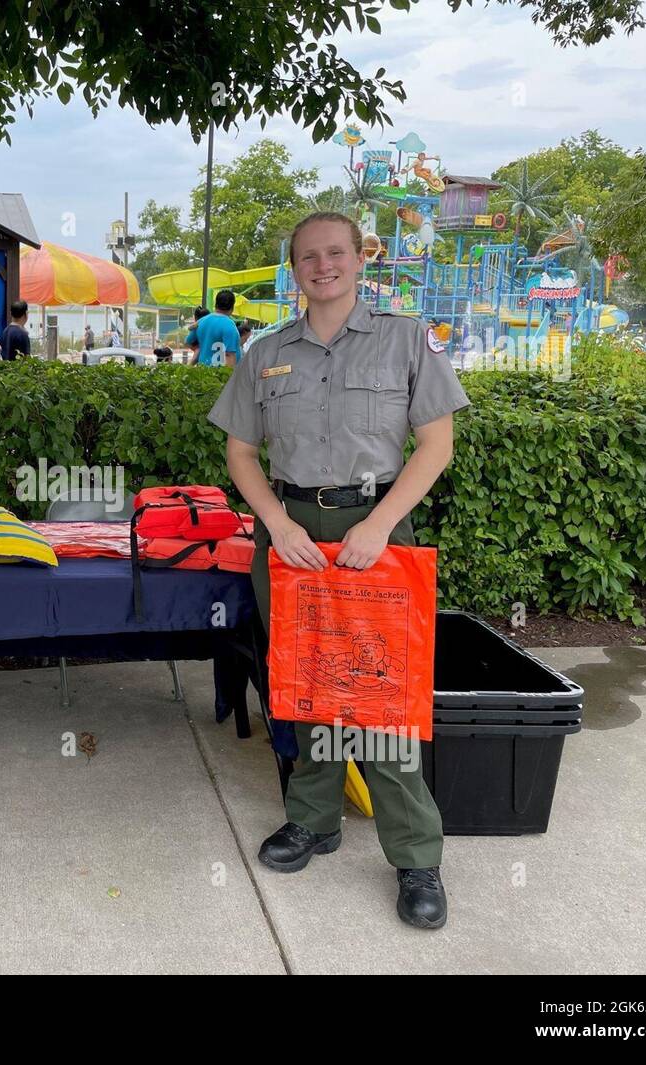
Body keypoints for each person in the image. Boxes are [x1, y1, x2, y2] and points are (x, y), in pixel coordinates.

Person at [207, 210, 470, 931]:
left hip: (376, 531)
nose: (321, 265)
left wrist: (379, 524)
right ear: (295, 269)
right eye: (306, 257)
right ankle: (313, 819)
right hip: (292, 536)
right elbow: (239, 455)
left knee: (382, 694)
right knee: (304, 684)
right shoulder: (265, 352)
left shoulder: (404, 340)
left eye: (334, 253)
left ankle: (416, 855)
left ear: (360, 259)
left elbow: (435, 444)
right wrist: (279, 525)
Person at [195, 289, 241, 366]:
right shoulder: (229, 325)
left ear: (216, 304)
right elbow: (229, 355)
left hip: (203, 370)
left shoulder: (201, 322)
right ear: (232, 307)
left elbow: (189, 342)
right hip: (219, 374)